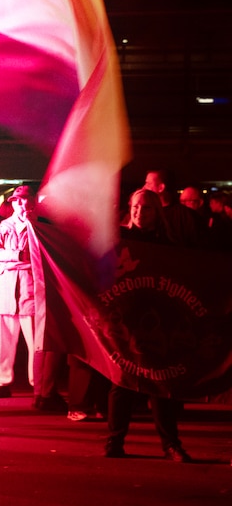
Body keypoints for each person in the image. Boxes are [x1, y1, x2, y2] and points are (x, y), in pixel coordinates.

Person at [105, 189, 191, 462]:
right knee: (123, 382)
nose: (140, 213)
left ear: (157, 211)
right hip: (125, 323)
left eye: (147, 208)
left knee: (160, 384)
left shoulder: (169, 243)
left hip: (158, 323)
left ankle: (170, 444)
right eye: (136, 208)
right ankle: (114, 441)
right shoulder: (120, 239)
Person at [0, 185, 37, 399]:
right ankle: (2, 381)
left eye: (25, 199)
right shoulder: (5, 225)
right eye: (17, 200)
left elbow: (38, 257)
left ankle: (39, 384)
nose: (21, 204)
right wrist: (17, 256)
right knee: (4, 339)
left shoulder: (38, 226)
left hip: (30, 290)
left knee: (36, 342)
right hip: (6, 288)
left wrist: (14, 260)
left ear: (32, 201)